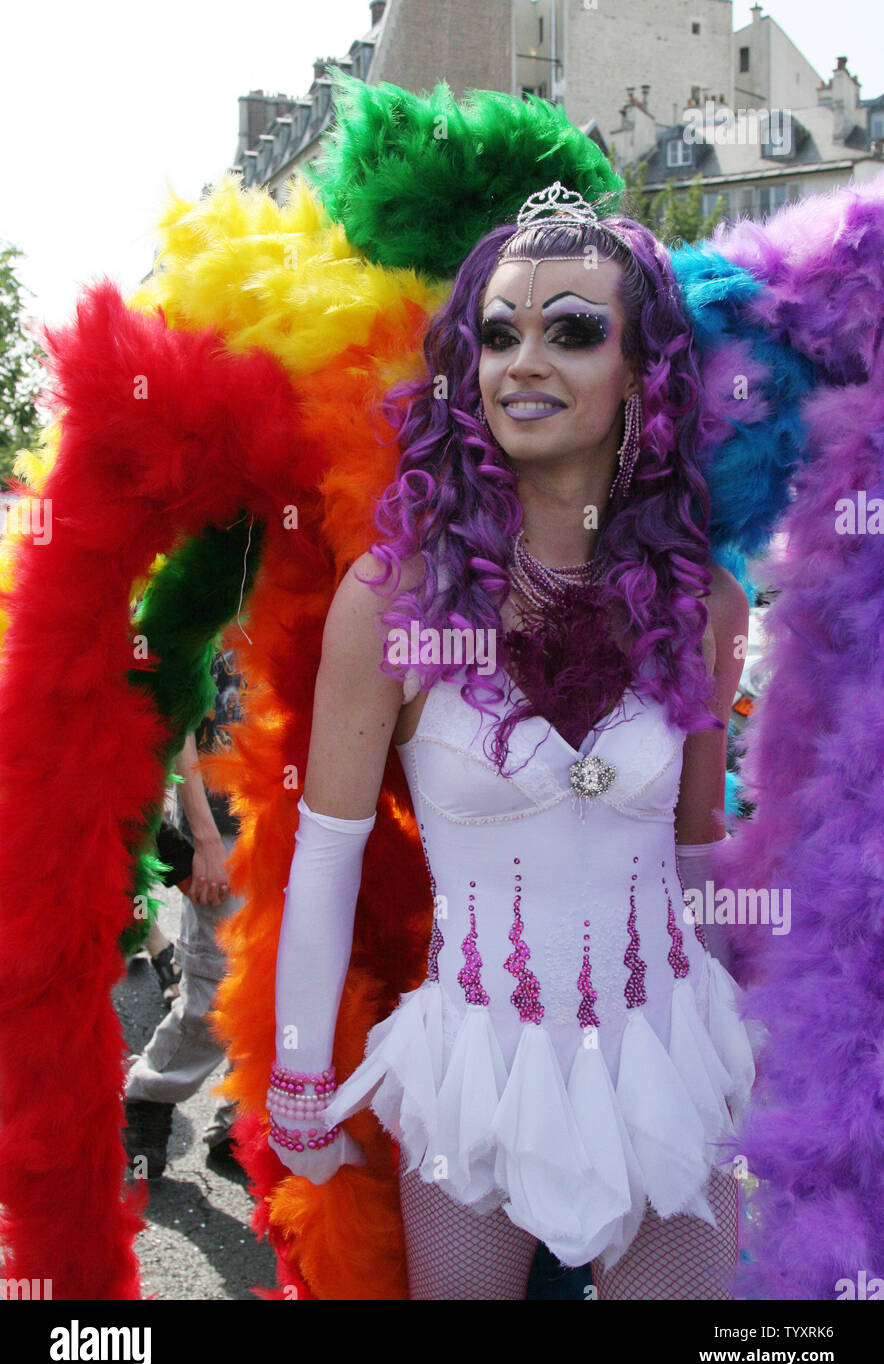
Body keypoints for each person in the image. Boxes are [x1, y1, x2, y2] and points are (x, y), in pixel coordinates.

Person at [266, 182, 757, 1299]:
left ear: (641, 375)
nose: (522, 361)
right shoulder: (390, 597)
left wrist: (745, 1032)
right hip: (471, 1074)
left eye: (571, 331)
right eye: (498, 333)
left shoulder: (706, 604)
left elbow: (694, 846)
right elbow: (327, 849)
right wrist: (300, 1071)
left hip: (666, 1057)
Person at [123, 647, 246, 1178]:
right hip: (217, 829)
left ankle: (242, 1117)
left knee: (281, 983)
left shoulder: (309, 575)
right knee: (214, 990)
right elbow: (173, 719)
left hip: (291, 816)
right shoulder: (205, 586)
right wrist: (197, 840)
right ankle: (150, 1092)